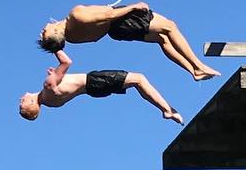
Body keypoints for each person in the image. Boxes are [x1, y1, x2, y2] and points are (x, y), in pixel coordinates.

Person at [39, 2, 219, 81]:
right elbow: (108, 15)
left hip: (116, 32)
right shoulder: (76, 16)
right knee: (170, 27)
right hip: (121, 19)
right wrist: (133, 7)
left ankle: (193, 71)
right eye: (44, 33)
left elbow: (95, 38)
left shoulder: (72, 38)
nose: (42, 30)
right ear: (55, 32)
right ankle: (198, 66)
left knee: (162, 39)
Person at [19, 50, 182, 125]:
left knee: (137, 82)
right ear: (32, 104)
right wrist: (53, 45)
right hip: (95, 80)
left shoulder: (51, 103)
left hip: (92, 90)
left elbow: (66, 86)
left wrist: (56, 74)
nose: (21, 98)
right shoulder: (48, 85)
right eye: (23, 102)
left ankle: (166, 109)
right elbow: (67, 62)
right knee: (139, 79)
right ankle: (166, 110)